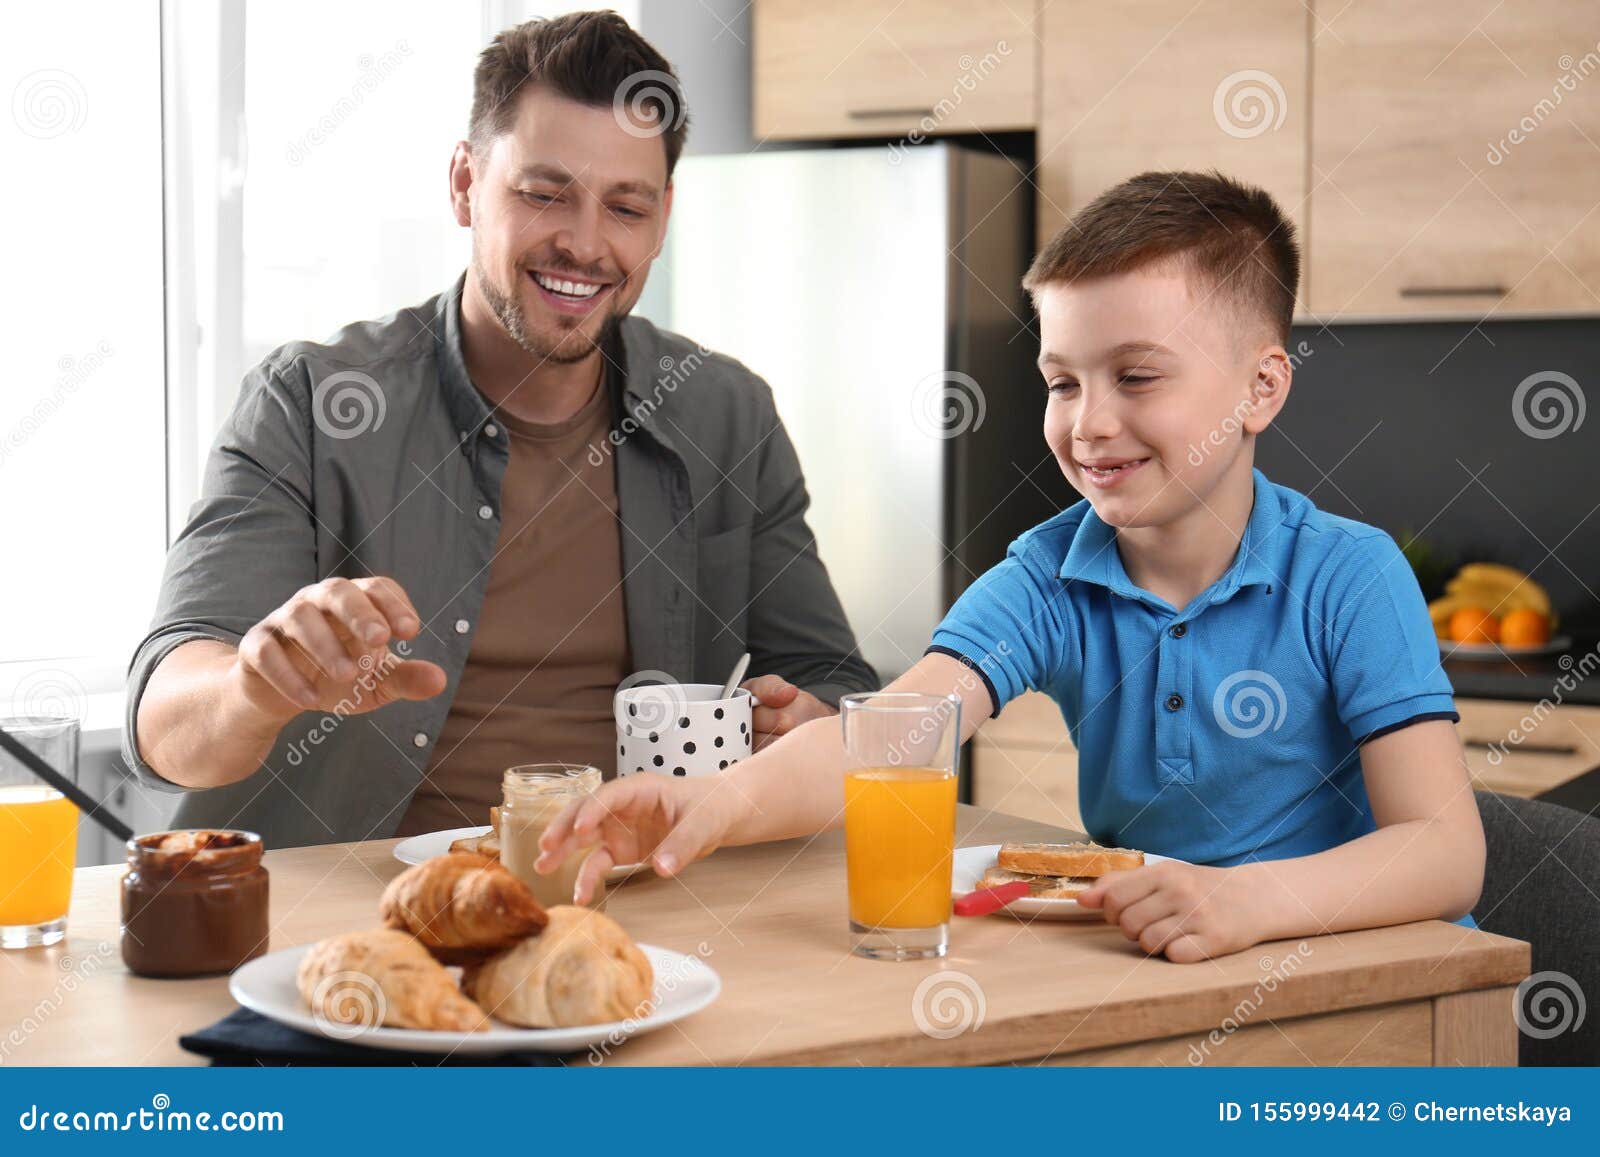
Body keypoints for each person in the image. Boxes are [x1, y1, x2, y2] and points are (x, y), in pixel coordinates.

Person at [537, 170, 1486, 963]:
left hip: (1387, 986)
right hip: (1179, 974)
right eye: (1063, 382)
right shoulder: (1050, 577)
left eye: (1137, 376)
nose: (1090, 423)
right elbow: (894, 734)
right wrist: (708, 799)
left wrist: (1248, 900)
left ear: (1262, 388)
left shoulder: (1350, 577)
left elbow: (1446, 853)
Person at [123, 12, 874, 849]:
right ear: (464, 183)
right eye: (544, 194)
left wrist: (801, 724)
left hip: (640, 899)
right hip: (362, 912)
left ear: (662, 218)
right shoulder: (309, 402)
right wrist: (254, 687)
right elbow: (163, 725)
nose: (584, 244)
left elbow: (841, 697)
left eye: (625, 207)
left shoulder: (727, 415)